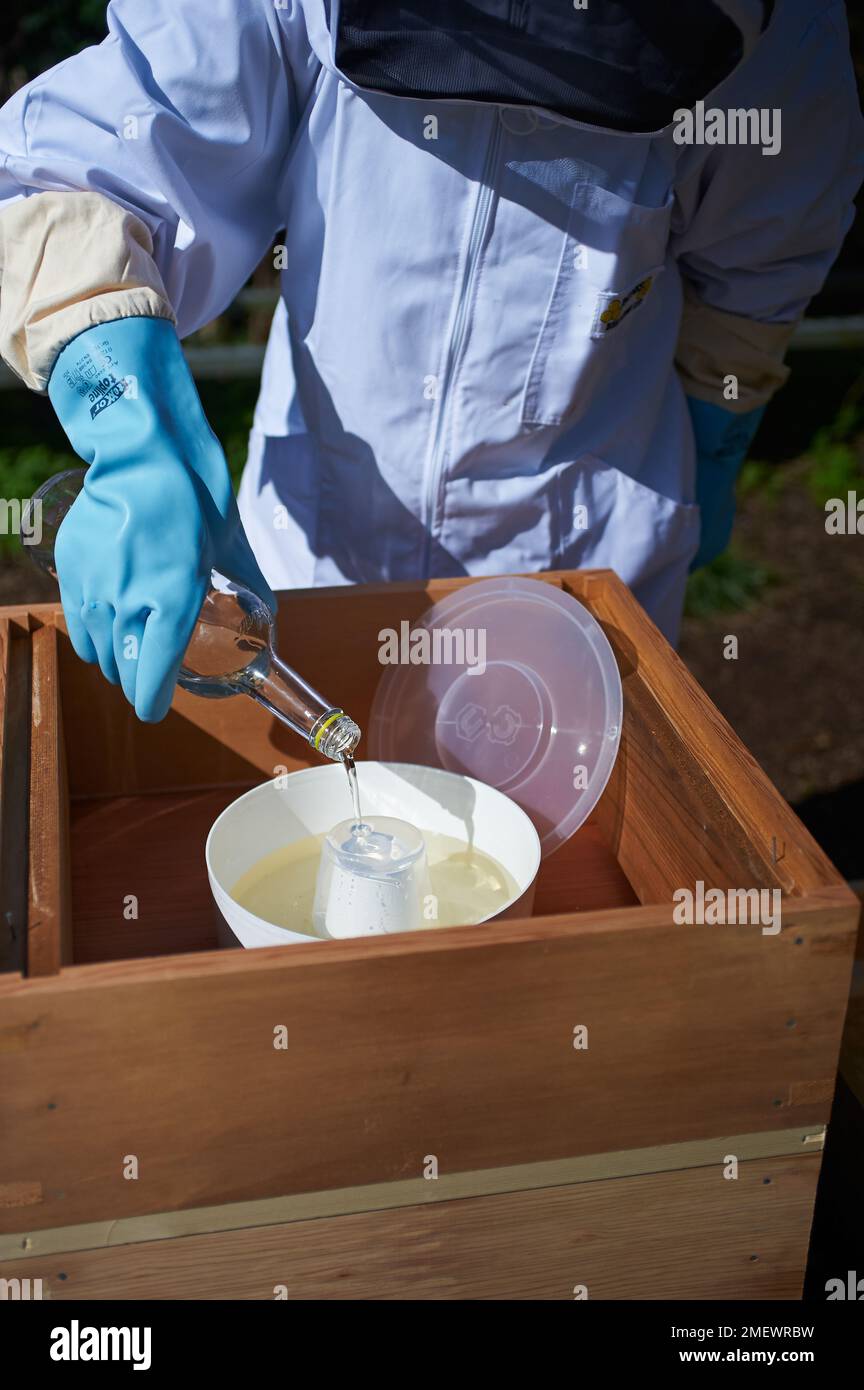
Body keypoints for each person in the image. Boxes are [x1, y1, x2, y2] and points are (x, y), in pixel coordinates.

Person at [0, 1, 860, 720]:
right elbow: (79, 167)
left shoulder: (786, 32)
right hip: (314, 548)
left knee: (561, 888)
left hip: (588, 570)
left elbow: (760, 266)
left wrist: (716, 439)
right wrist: (128, 421)